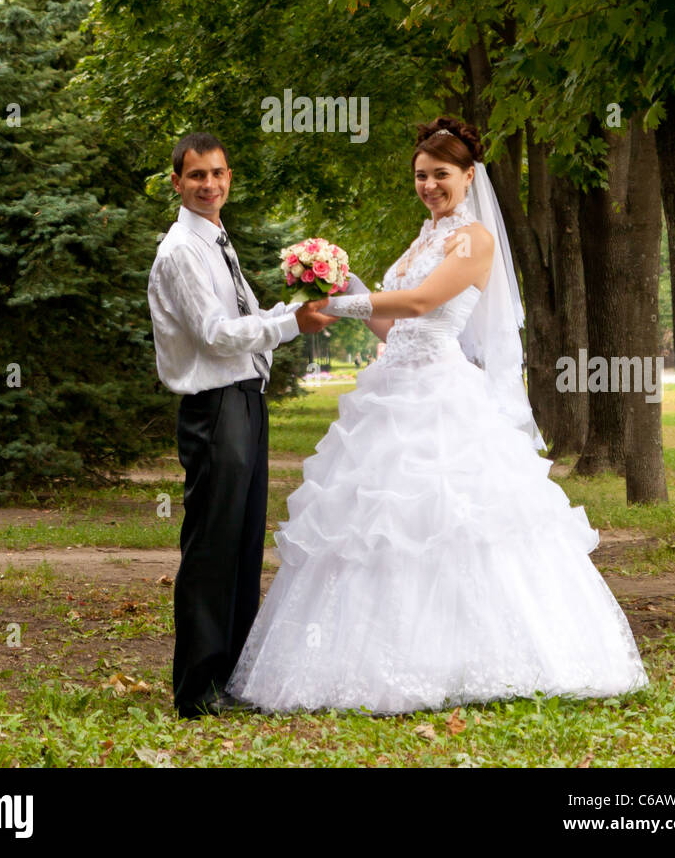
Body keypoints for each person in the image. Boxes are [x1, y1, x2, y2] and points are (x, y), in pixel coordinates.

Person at [226, 117, 649, 714]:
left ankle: (489, 656)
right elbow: (393, 324)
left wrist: (344, 300)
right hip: (391, 388)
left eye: (441, 174)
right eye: (421, 175)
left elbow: (425, 302)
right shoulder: (422, 239)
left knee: (454, 522)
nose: (429, 185)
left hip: (441, 394)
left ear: (468, 176)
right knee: (375, 529)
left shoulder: (473, 239)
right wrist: (337, 283)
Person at [147, 131, 334, 718]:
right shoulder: (181, 250)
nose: (210, 185)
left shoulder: (218, 242)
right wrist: (287, 328)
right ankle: (196, 690)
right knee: (212, 547)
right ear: (177, 182)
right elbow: (214, 333)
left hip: (246, 401)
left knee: (243, 543)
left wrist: (299, 308)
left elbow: (243, 319)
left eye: (219, 174)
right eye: (197, 175)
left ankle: (230, 677)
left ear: (229, 179)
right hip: (214, 407)